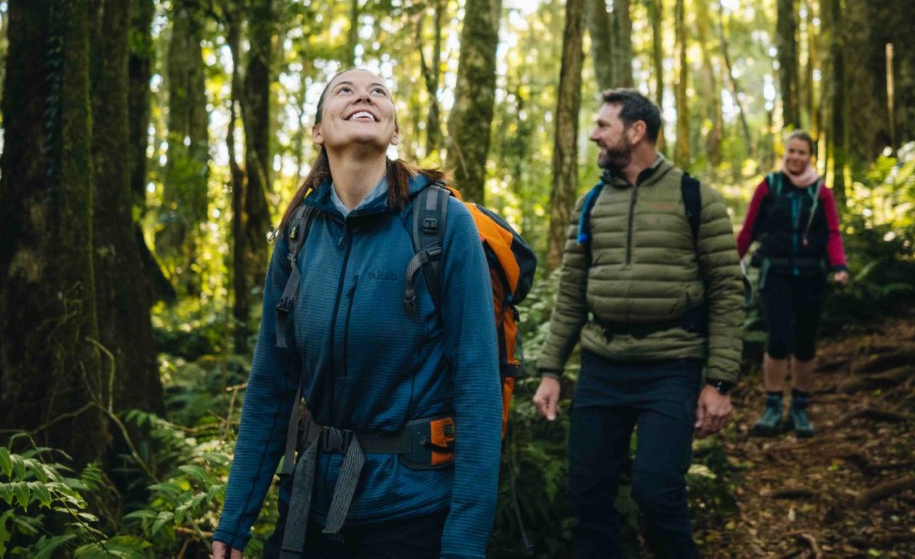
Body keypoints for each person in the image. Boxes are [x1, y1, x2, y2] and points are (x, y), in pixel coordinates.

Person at [212, 68, 501, 559]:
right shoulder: (299, 233)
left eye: (379, 92)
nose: (363, 95)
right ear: (318, 131)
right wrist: (234, 522)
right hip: (309, 507)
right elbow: (272, 384)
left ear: (393, 131)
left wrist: (465, 543)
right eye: (344, 90)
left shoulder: (442, 223)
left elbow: (477, 388)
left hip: (411, 513)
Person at [532, 89, 745, 559]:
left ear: (636, 131)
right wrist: (550, 371)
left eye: (603, 126)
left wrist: (720, 381)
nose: (594, 135)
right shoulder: (590, 205)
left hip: (671, 368)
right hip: (602, 368)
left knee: (656, 493)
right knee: (587, 492)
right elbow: (571, 292)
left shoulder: (695, 198)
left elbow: (728, 290)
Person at [734, 130, 849, 438]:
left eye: (802, 152)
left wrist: (839, 265)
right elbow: (748, 231)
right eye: (791, 152)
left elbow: (833, 233)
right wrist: (732, 262)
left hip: (812, 276)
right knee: (779, 339)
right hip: (776, 275)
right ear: (784, 154)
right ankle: (772, 407)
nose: (795, 157)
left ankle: (800, 408)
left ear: (810, 156)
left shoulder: (821, 192)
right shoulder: (768, 187)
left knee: (805, 343)